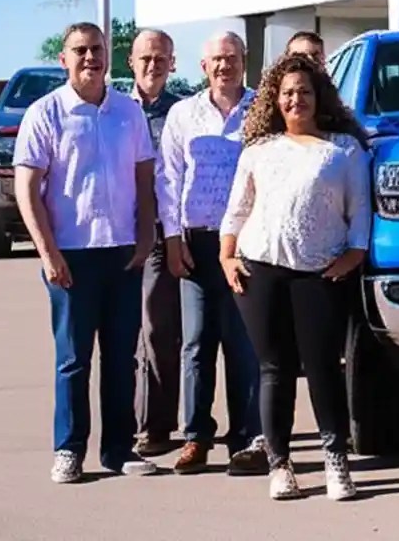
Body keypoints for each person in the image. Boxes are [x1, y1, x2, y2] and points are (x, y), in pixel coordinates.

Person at [13, 21, 159, 483]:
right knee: (74, 359)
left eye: (97, 49)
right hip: (70, 255)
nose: (91, 58)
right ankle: (68, 449)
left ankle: (118, 449)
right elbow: (27, 188)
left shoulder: (128, 114)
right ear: (64, 59)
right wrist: (47, 251)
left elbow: (143, 178)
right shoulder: (46, 113)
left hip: (121, 253)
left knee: (121, 357)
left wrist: (145, 236)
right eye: (81, 50)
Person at [220, 52, 370, 501]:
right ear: (275, 100)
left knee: (324, 368)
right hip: (260, 270)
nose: (296, 99)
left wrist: (353, 255)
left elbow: (359, 211)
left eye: (304, 91)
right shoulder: (259, 150)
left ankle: (336, 462)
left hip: (320, 273)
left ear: (318, 96)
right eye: (287, 93)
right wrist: (227, 257)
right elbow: (237, 210)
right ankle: (280, 465)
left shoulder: (344, 149)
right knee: (274, 369)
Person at [158, 31, 267, 475]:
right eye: (216, 60)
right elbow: (167, 179)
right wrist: (172, 238)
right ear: (203, 67)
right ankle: (196, 437)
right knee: (197, 343)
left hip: (248, 242)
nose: (224, 66)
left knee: (245, 345)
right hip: (198, 242)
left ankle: (247, 438)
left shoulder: (263, 108)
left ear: (245, 61)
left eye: (232, 57)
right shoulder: (184, 114)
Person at [129, 29, 185, 458]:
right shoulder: (111, 110)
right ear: (131, 61)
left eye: (161, 58)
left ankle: (157, 426)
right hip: (113, 235)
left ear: (172, 63)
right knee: (120, 336)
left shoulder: (181, 114)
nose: (153, 65)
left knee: (159, 330)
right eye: (146, 58)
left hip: (162, 236)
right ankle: (123, 421)